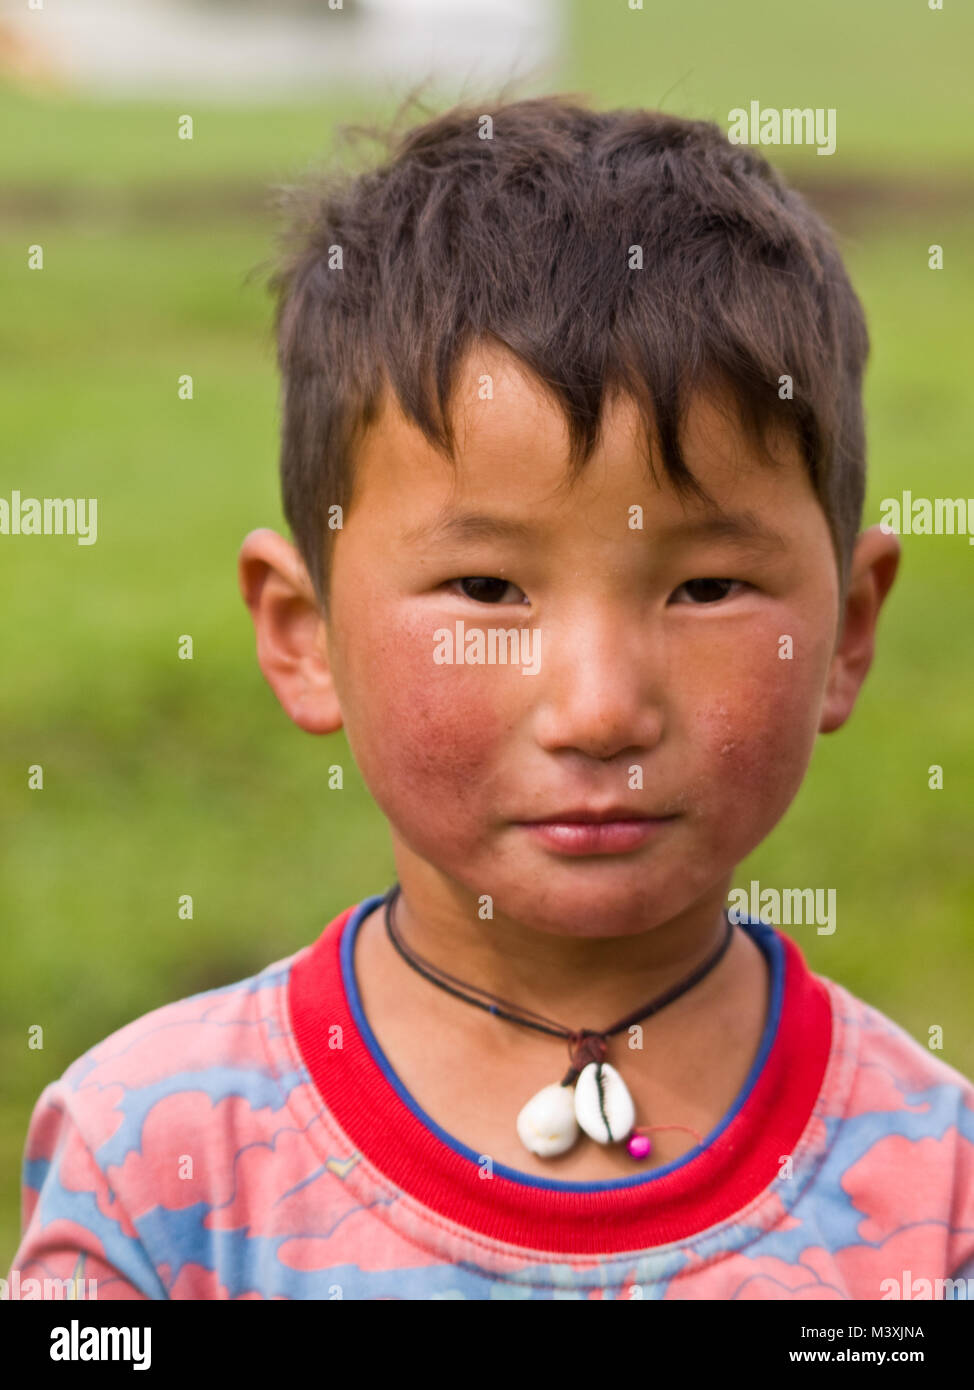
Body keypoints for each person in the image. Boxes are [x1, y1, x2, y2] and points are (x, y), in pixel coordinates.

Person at [10, 94, 974, 1300]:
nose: (599, 708)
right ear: (302, 634)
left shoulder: (935, 1192)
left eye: (707, 587)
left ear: (848, 626)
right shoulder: (157, 1166)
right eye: (486, 586)